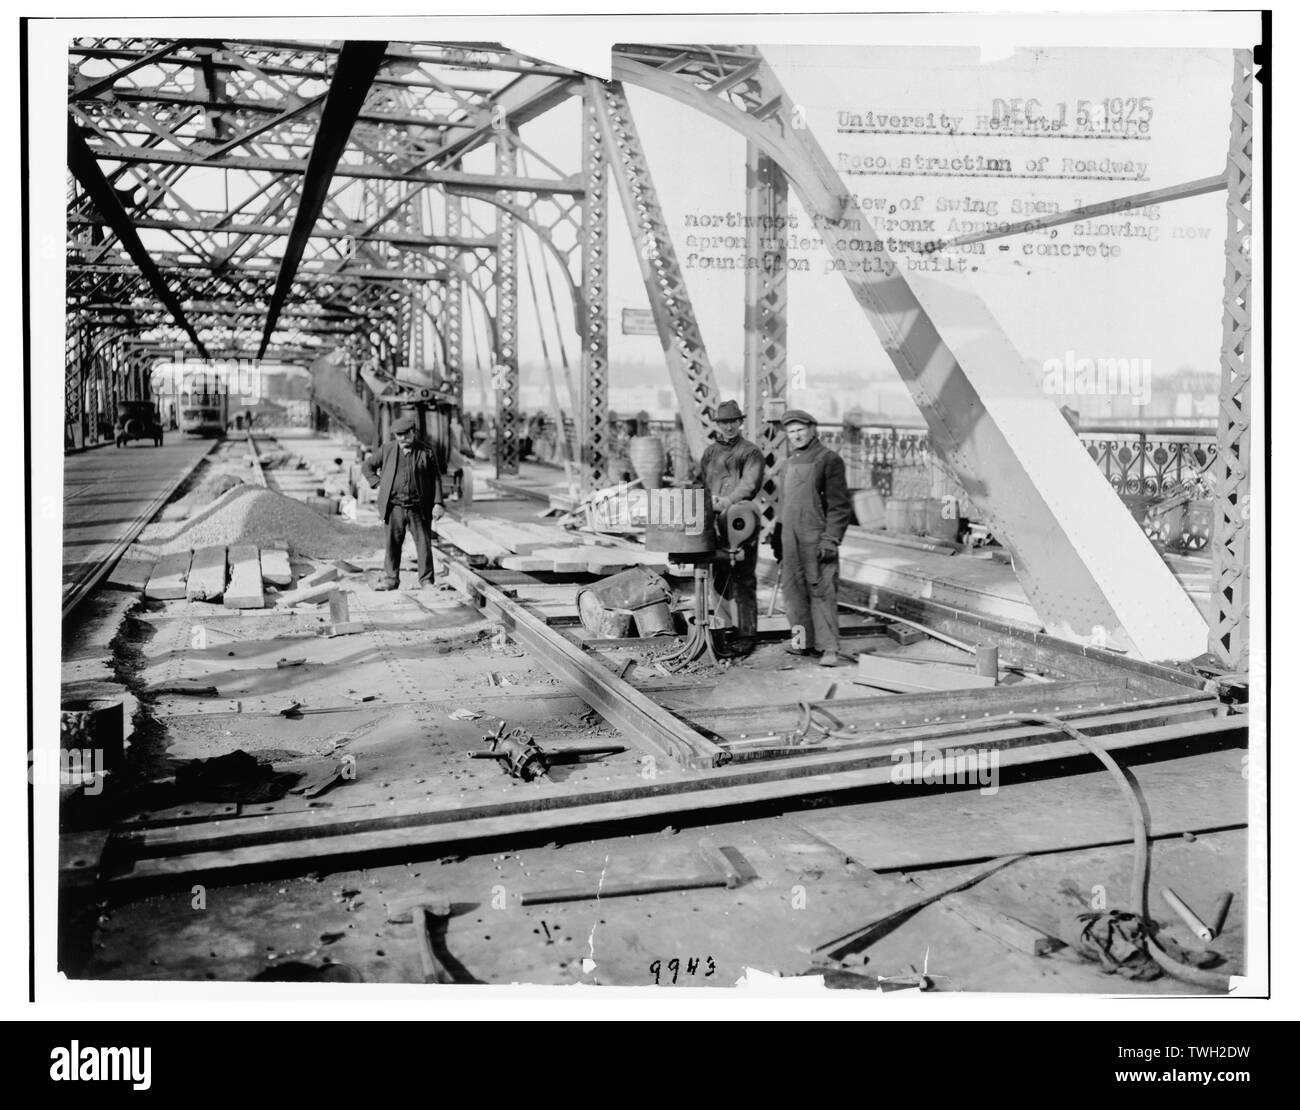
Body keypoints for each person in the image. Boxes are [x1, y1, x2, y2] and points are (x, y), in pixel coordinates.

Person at [772, 408, 852, 667]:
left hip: (815, 537)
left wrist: (831, 539)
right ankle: (801, 642)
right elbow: (784, 503)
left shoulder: (829, 460)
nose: (795, 436)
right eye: (791, 432)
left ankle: (829, 648)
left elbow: (839, 506)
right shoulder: (787, 464)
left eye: (800, 430)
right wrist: (777, 533)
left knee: (822, 590)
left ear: (813, 429)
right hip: (789, 537)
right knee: (792, 590)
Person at [700, 399, 765, 654]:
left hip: (741, 521)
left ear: (740, 422)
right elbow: (701, 483)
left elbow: (750, 485)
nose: (729, 427)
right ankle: (724, 628)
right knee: (719, 576)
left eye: (733, 421)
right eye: (724, 422)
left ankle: (747, 634)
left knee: (744, 577)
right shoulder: (710, 453)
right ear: (718, 424)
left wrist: (726, 501)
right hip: (715, 522)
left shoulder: (751, 453)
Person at [362, 414, 446, 590]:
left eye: (406, 434)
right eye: (399, 435)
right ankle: (391, 579)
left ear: (413, 433)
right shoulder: (387, 450)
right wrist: (378, 483)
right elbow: (367, 466)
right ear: (395, 436)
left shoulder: (426, 452)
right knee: (392, 544)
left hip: (418, 507)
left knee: (423, 545)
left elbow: (436, 479)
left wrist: (438, 503)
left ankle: (426, 581)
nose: (402, 438)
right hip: (394, 507)